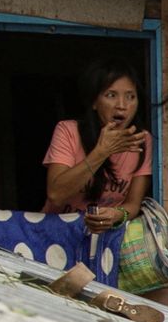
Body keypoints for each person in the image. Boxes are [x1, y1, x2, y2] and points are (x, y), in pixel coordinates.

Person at [44, 60, 151, 231]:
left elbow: (133, 203)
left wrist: (117, 215)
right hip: (57, 233)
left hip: (105, 236)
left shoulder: (142, 141)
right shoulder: (68, 131)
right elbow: (56, 195)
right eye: (111, 95)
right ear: (94, 101)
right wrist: (102, 152)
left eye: (130, 96)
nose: (122, 106)